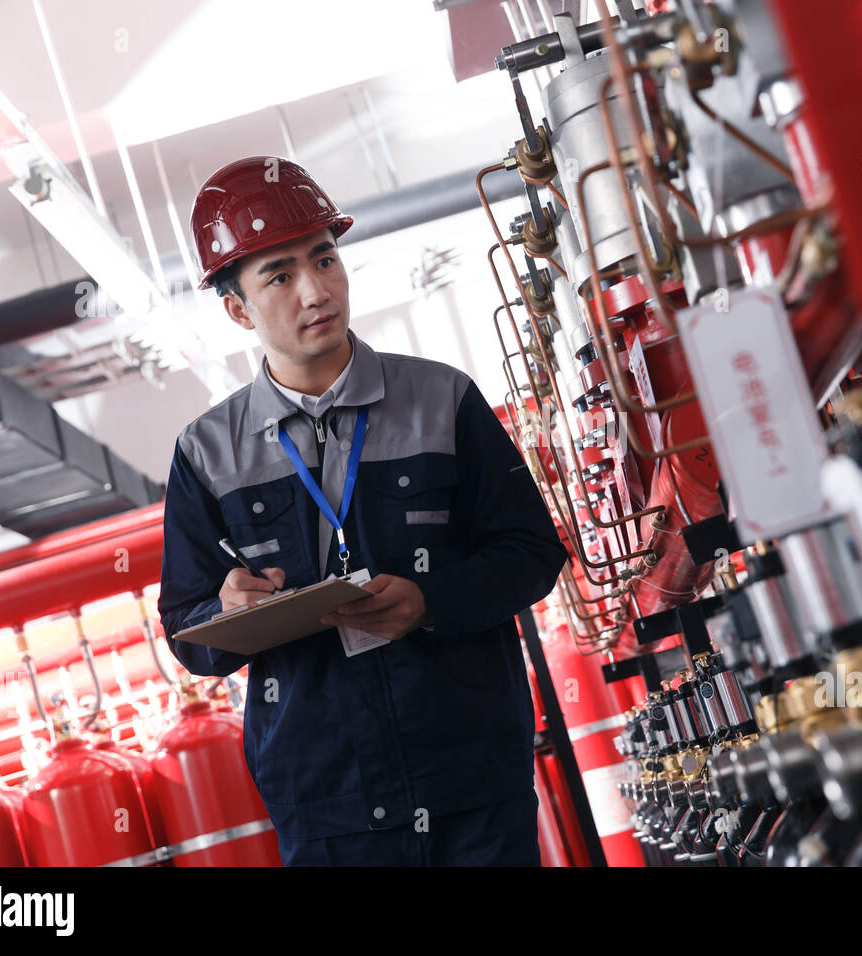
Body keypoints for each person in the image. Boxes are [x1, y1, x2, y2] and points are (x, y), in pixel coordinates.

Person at [157, 155, 568, 865]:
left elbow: (531, 551)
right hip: (328, 805)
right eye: (279, 276)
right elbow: (188, 632)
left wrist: (430, 603)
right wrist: (225, 613)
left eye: (324, 259)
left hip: (471, 782)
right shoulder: (206, 454)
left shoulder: (444, 400)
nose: (315, 290)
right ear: (236, 308)